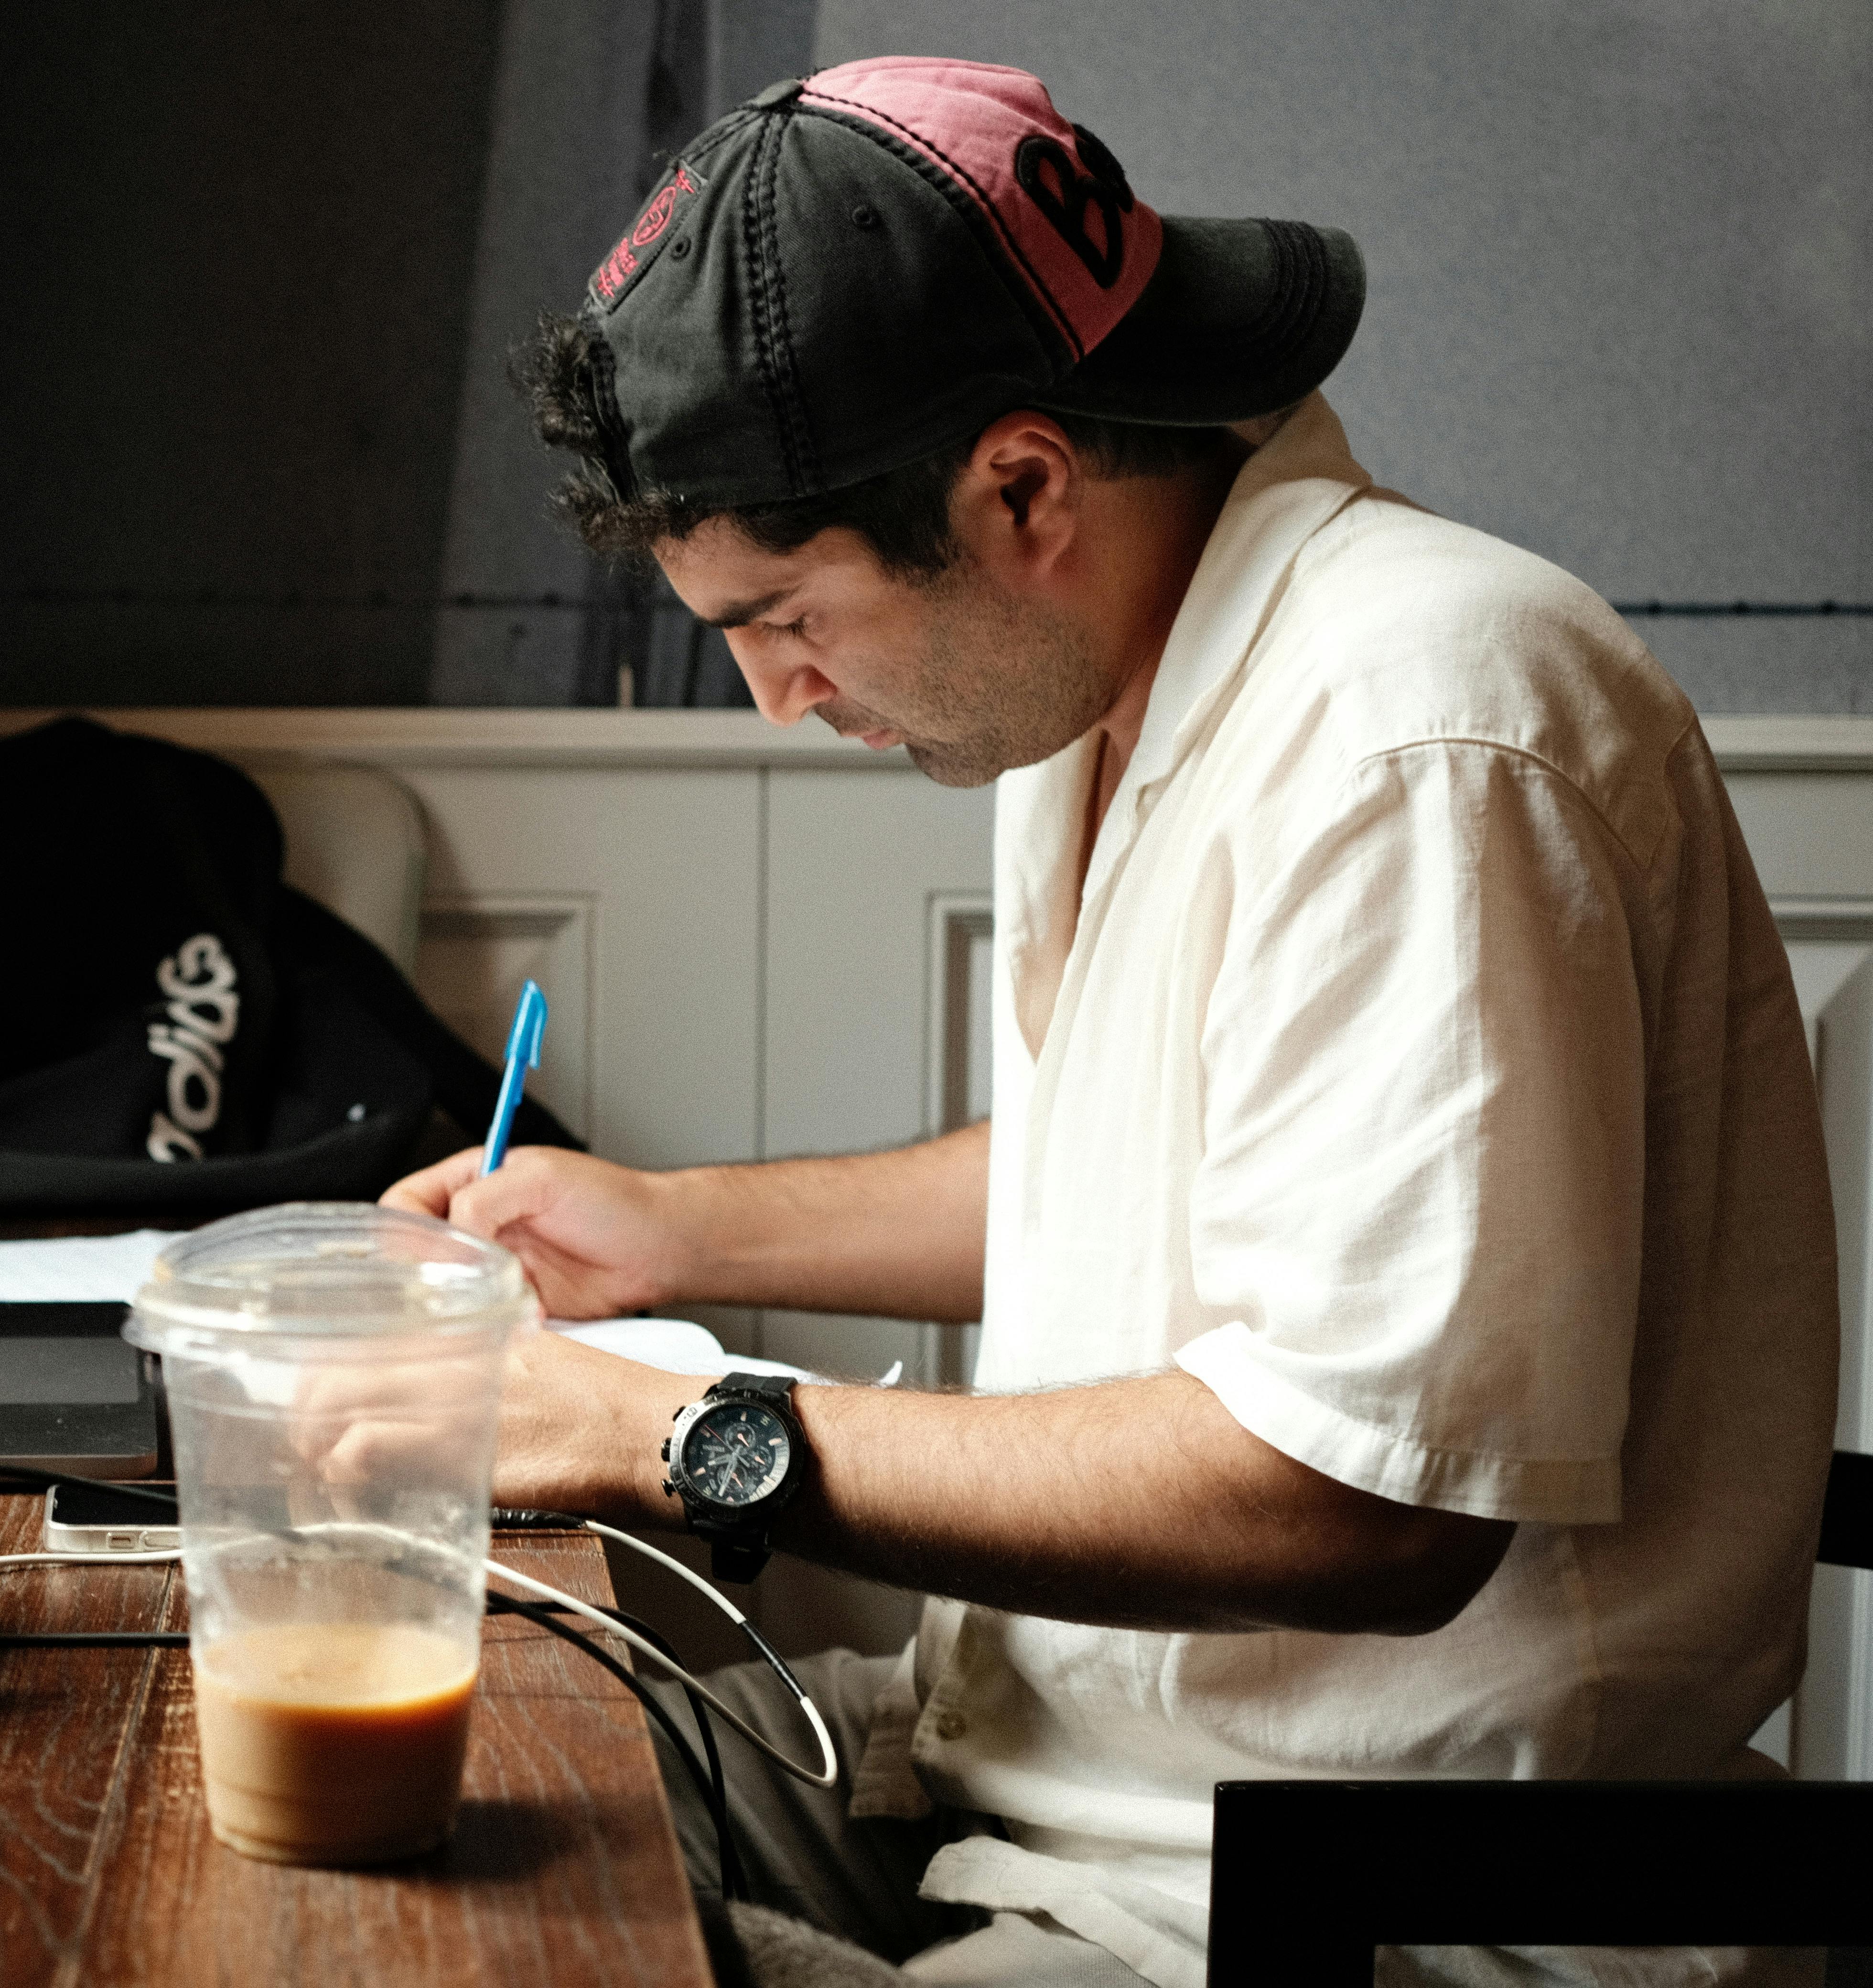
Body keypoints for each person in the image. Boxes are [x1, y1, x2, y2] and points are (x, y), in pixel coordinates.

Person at [385, 57, 1837, 1988]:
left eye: (787, 612)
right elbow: (1150, 1180)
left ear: (1022, 486)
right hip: (1030, 1779)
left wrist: (675, 1428)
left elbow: (1356, 1493)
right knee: (394, 1785)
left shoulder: (1418, 724)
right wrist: (669, 1227)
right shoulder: (1100, 681)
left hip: (1349, 1901)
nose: (775, 696)